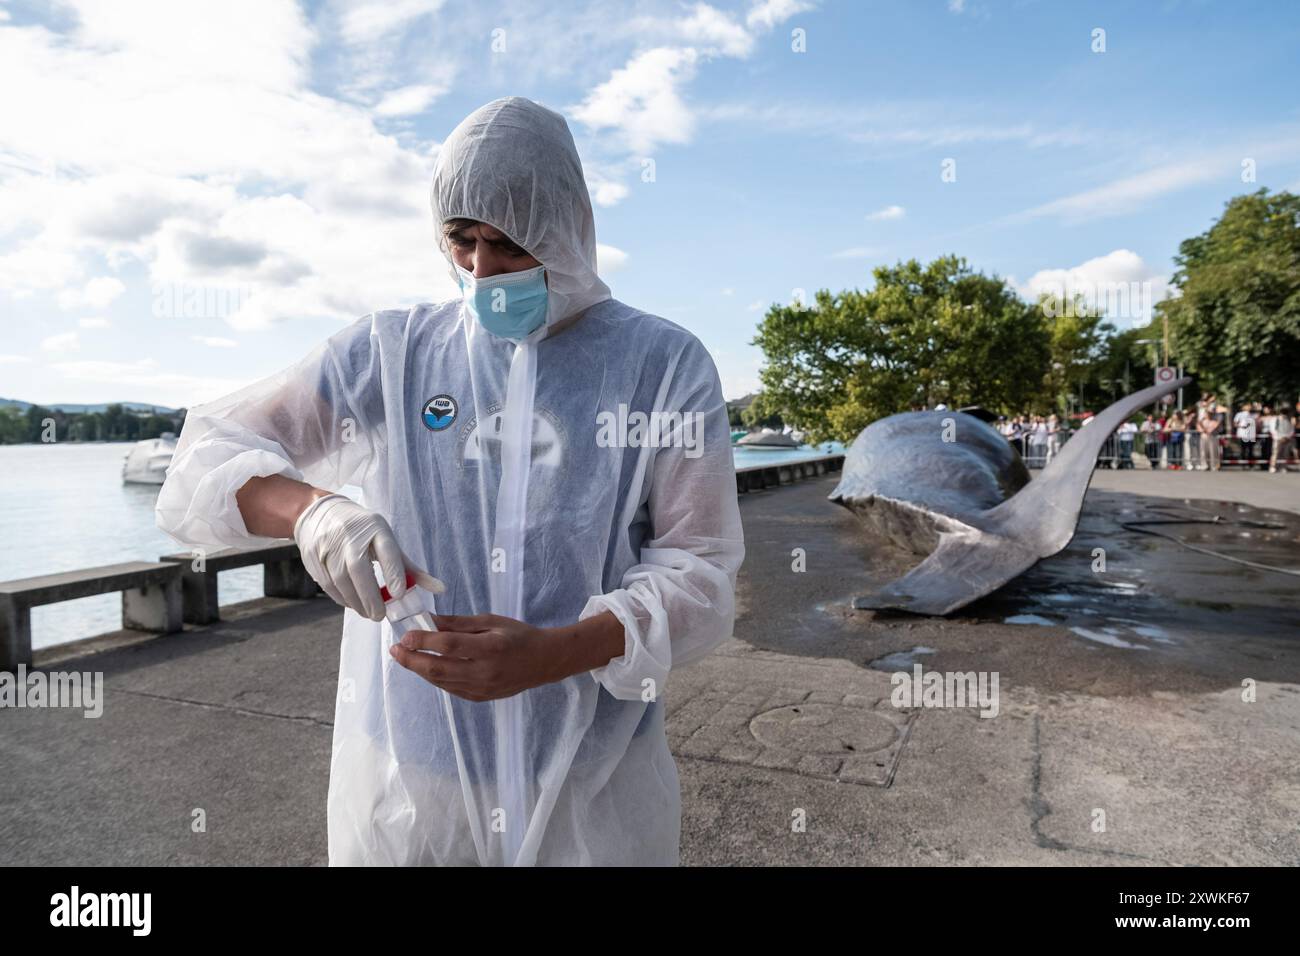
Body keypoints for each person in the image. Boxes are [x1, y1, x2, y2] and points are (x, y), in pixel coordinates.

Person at [155, 97, 745, 866]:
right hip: (415, 778)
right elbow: (211, 452)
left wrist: (557, 652)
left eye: (507, 243)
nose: (480, 270)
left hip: (592, 787)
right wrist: (314, 512)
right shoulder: (391, 353)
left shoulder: (661, 365)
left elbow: (699, 567)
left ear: (565, 228)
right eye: (461, 240)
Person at [1268, 407, 1296, 473]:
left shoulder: (1289, 419)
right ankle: (1273, 467)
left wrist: (1287, 437)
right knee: (1275, 453)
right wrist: (1280, 437)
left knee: (1285, 454)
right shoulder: (1275, 419)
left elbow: (1291, 429)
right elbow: (1273, 429)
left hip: (1287, 439)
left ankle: (1283, 467)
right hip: (1278, 439)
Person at [1197, 401, 1221, 471]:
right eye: (1208, 413)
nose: (1209, 414)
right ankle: (1204, 465)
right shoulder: (1202, 420)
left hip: (1213, 436)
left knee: (1213, 452)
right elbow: (1199, 427)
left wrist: (1208, 430)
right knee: (1203, 452)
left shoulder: (1215, 420)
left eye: (1210, 413)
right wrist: (1202, 430)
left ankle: (1214, 466)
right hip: (1204, 436)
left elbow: (1215, 427)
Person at [1234, 402, 1257, 467]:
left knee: (1251, 450)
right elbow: (1235, 424)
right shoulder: (1239, 414)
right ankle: (1243, 463)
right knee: (1243, 449)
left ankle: (1250, 464)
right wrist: (1242, 426)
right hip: (1243, 434)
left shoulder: (1253, 415)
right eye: (1247, 406)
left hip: (1251, 434)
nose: (1249, 407)